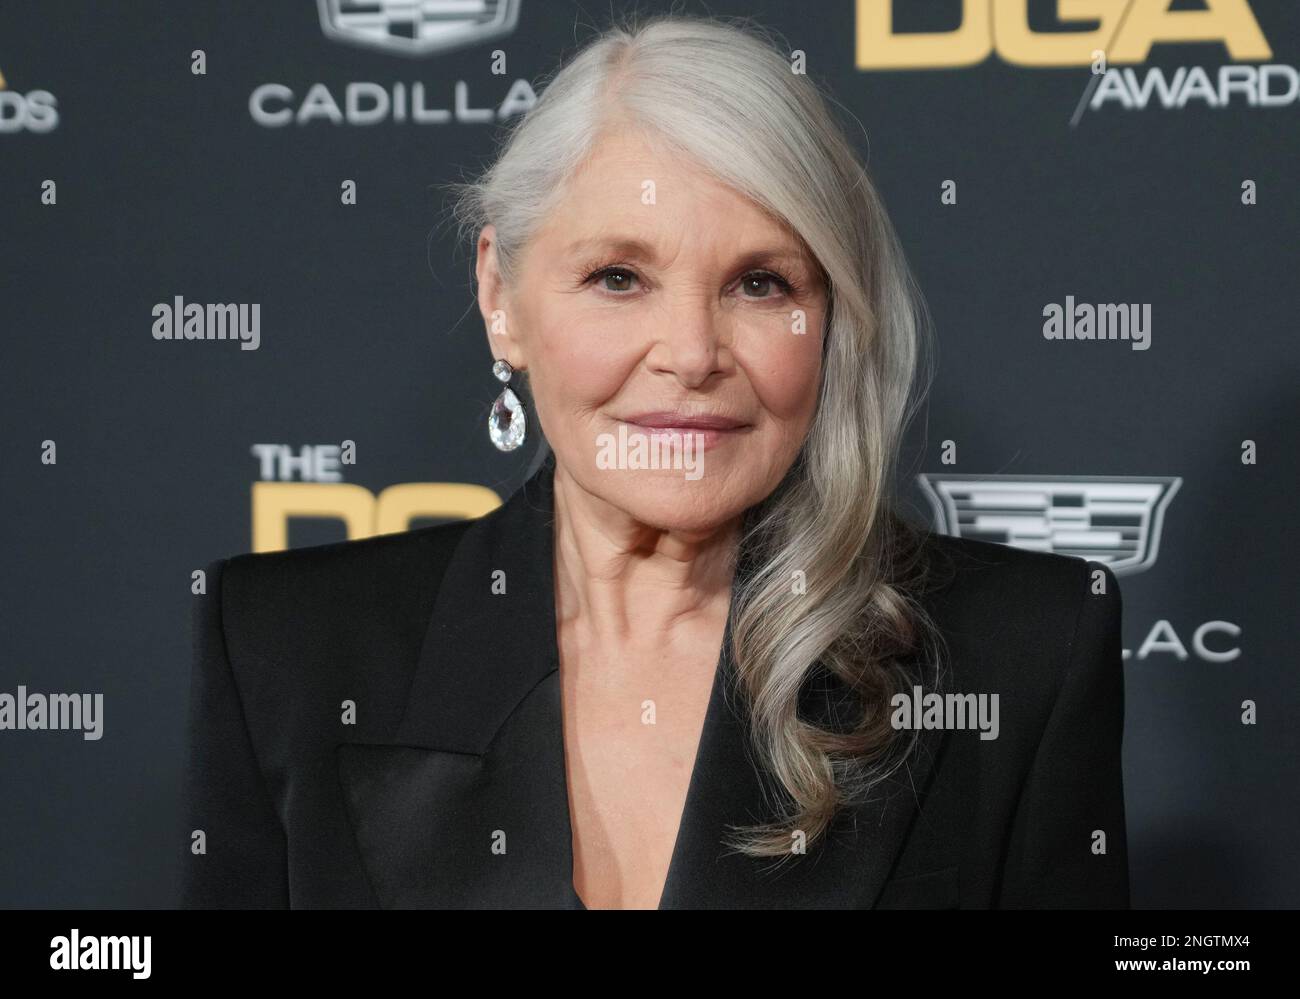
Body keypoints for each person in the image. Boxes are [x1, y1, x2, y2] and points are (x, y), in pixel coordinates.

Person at [179, 13, 1128, 909]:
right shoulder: (290, 652)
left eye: (760, 283)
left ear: (831, 317)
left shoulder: (1018, 657)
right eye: (618, 278)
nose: (692, 352)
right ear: (500, 297)